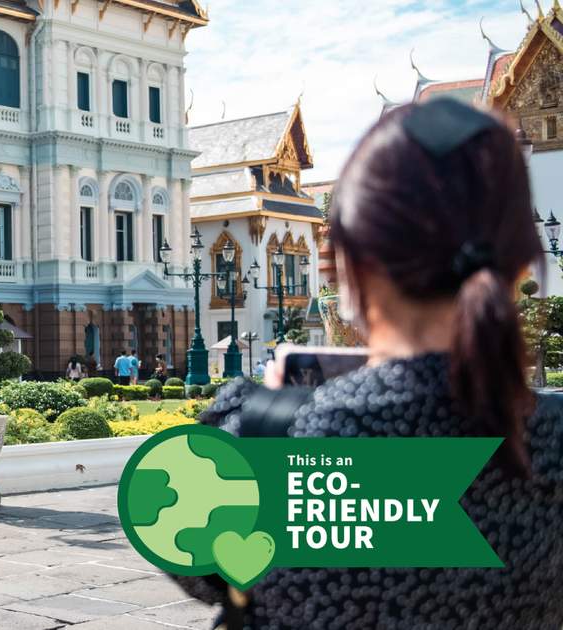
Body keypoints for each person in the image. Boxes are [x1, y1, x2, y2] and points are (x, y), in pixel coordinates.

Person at [173, 100, 563, 627]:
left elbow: (194, 561)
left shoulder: (263, 447)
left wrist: (271, 415)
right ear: (520, 264)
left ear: (348, 263)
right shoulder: (553, 442)